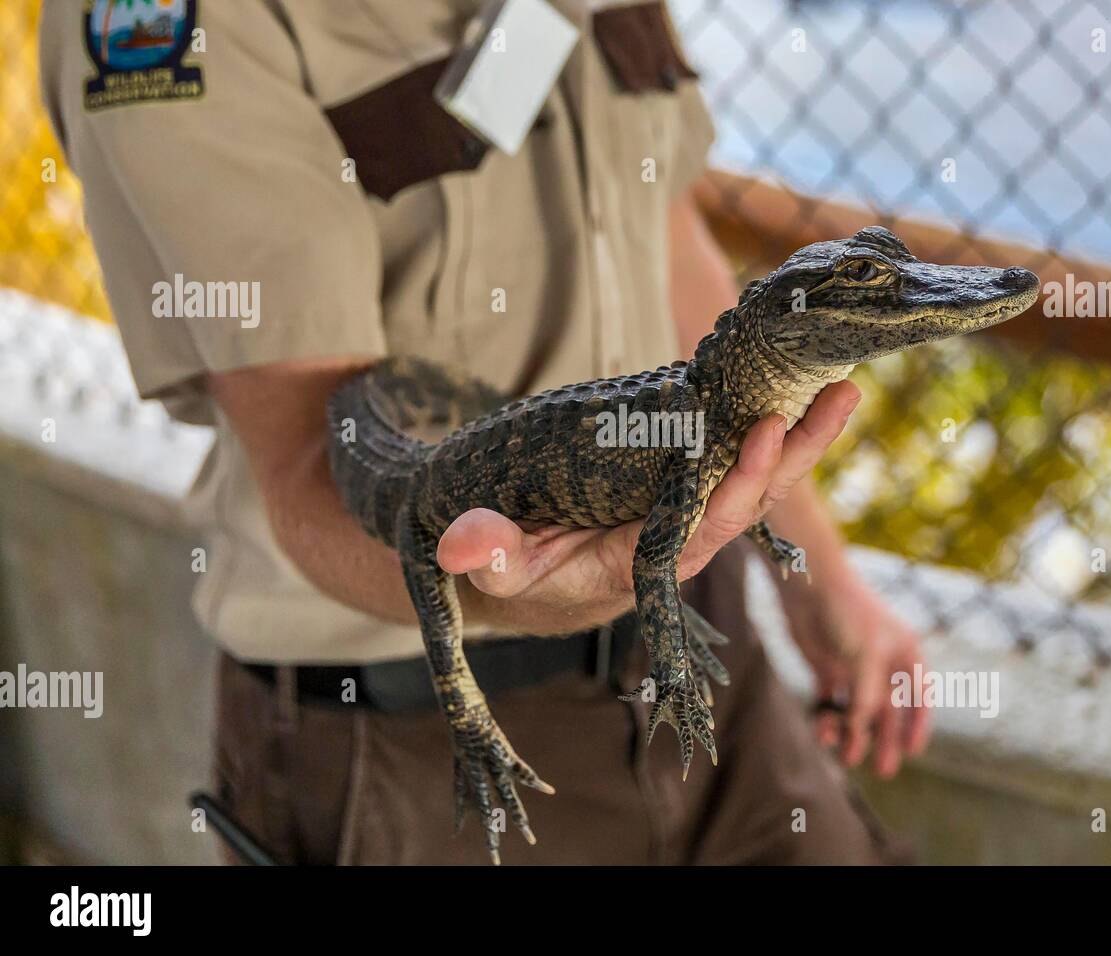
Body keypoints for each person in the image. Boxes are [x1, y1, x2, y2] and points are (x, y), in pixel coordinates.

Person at [40, 0, 929, 864]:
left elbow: (656, 232)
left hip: (702, 648)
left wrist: (820, 578)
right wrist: (510, 591)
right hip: (410, 743)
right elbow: (312, 456)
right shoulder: (167, 22)